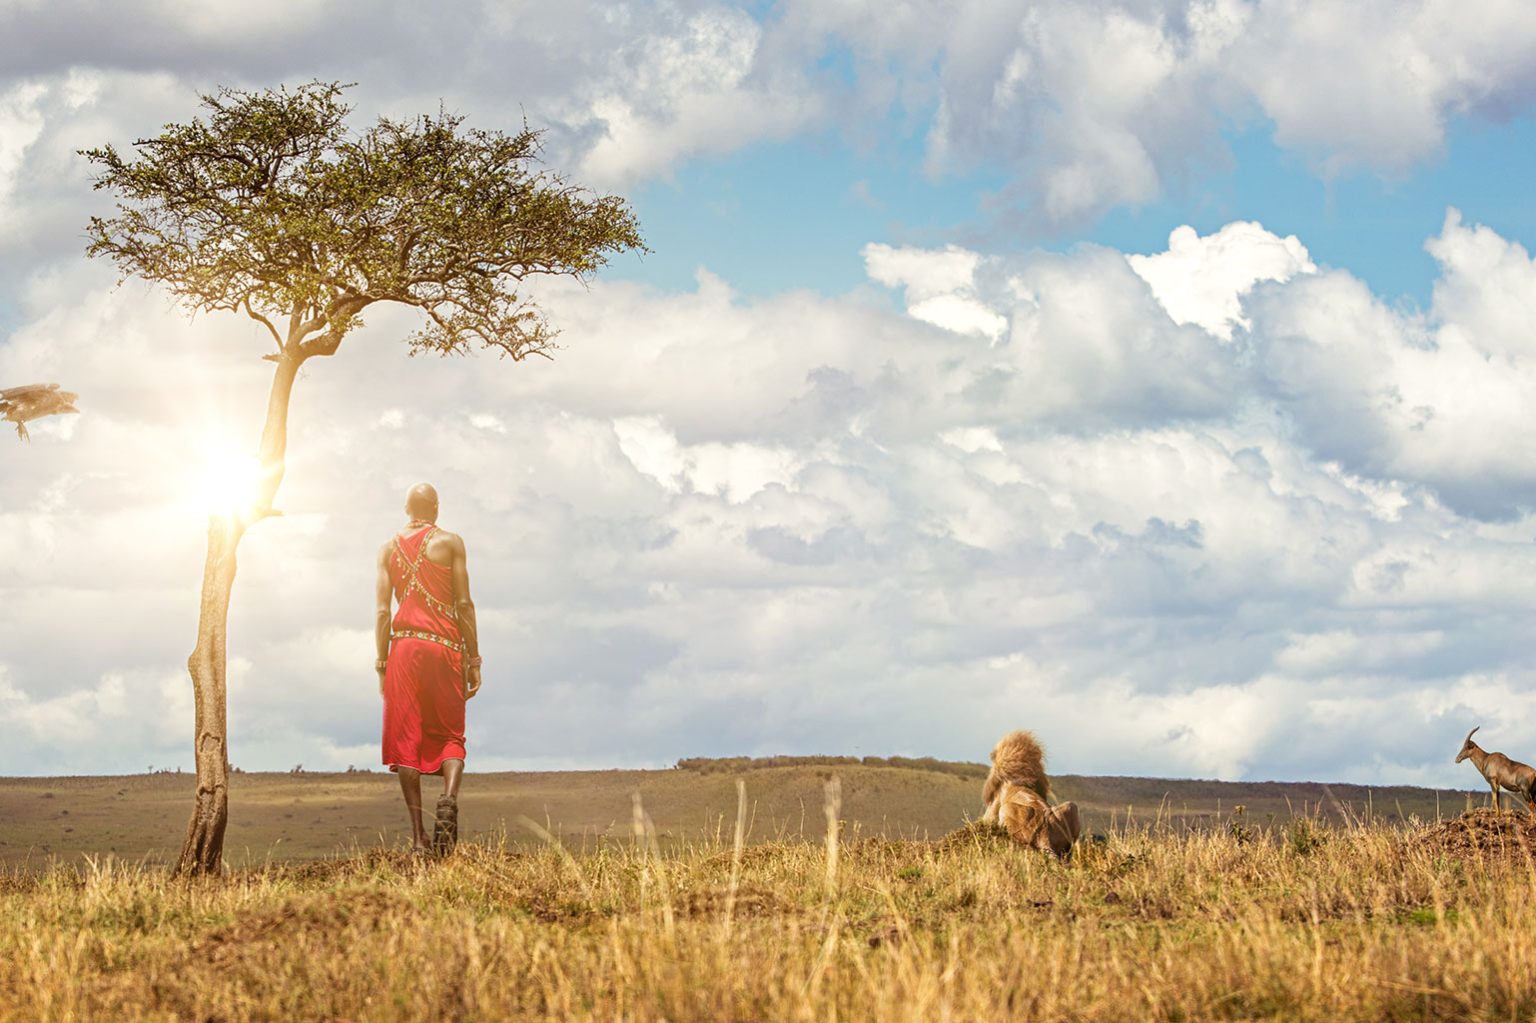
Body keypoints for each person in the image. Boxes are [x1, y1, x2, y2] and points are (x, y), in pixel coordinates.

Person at [375, 483, 482, 855]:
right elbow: (464, 603)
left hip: (404, 648)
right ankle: (448, 798)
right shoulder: (451, 543)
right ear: (436, 508)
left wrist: (381, 664)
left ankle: (419, 836)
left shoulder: (387, 549)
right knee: (451, 733)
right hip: (445, 645)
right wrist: (473, 659)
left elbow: (382, 612)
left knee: (406, 741)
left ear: (406, 508)